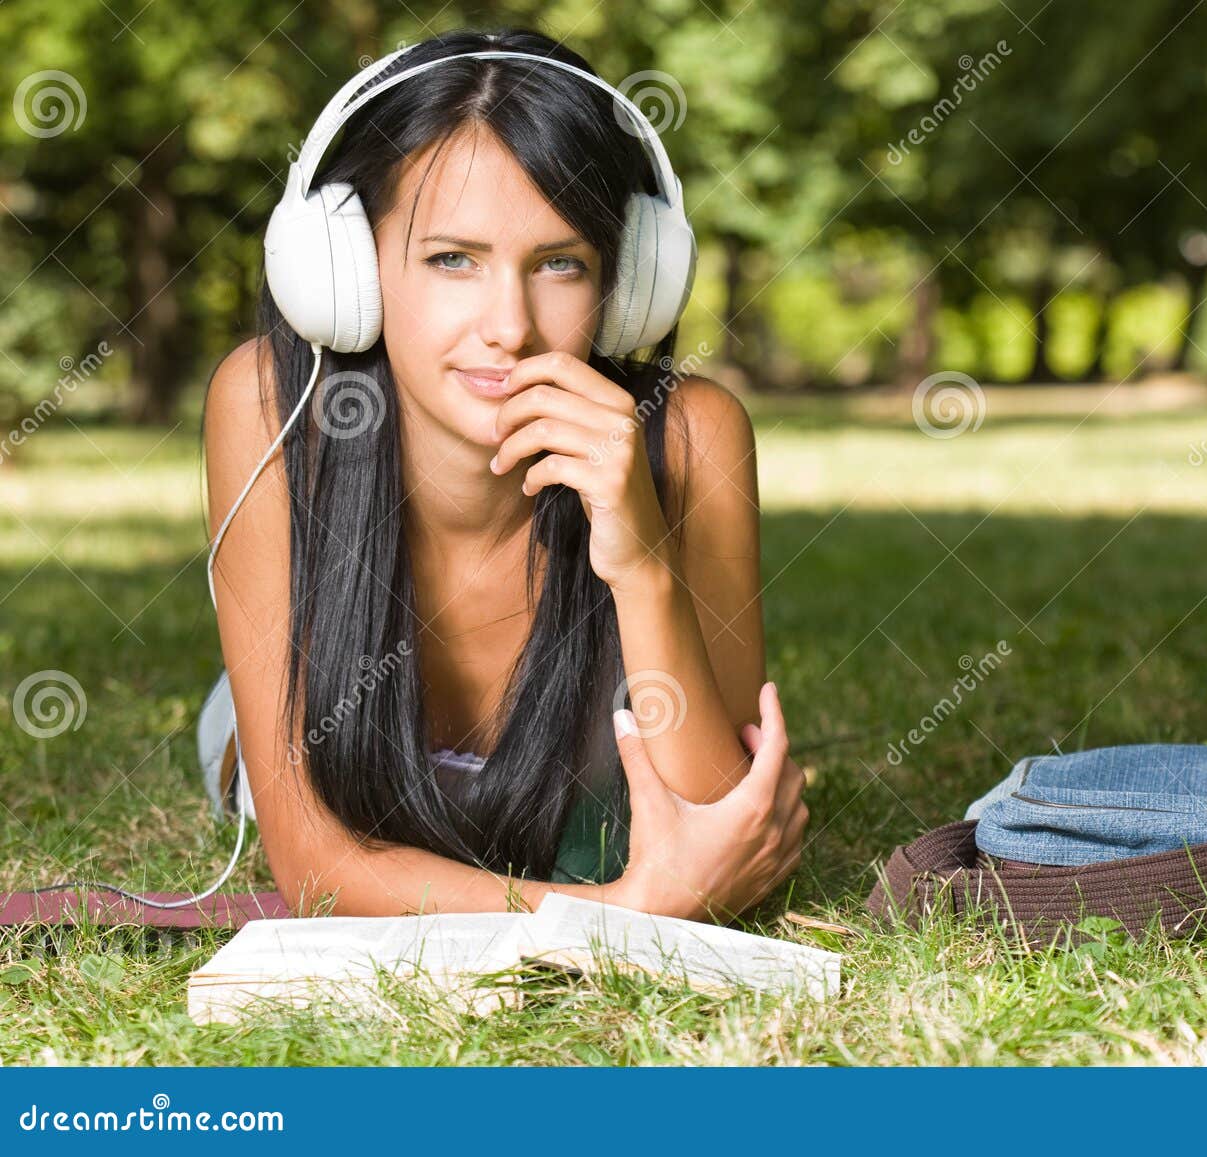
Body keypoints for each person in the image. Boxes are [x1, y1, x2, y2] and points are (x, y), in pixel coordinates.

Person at [200, 26, 807, 921]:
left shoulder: (692, 435)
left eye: (561, 263)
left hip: (574, 757)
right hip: (306, 699)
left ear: (626, 285)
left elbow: (723, 828)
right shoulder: (269, 408)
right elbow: (316, 865)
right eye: (452, 259)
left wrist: (640, 561)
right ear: (348, 270)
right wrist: (624, 913)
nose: (509, 326)